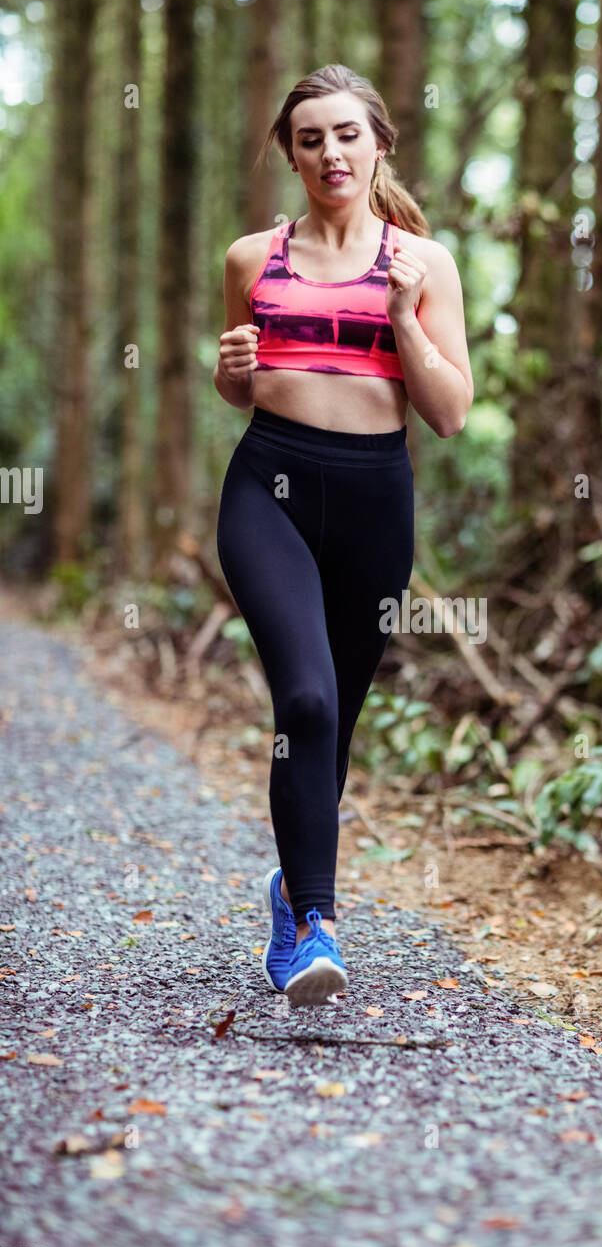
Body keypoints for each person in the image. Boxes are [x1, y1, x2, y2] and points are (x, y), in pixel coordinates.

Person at [213, 63, 473, 1006]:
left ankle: (289, 884)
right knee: (309, 703)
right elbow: (238, 384)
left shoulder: (423, 262)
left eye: (347, 135)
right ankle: (315, 925)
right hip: (268, 492)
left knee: (338, 721)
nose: (331, 152)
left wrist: (404, 317)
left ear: (379, 144)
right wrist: (232, 369)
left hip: (375, 499)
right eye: (311, 137)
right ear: (291, 152)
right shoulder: (253, 258)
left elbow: (448, 414)